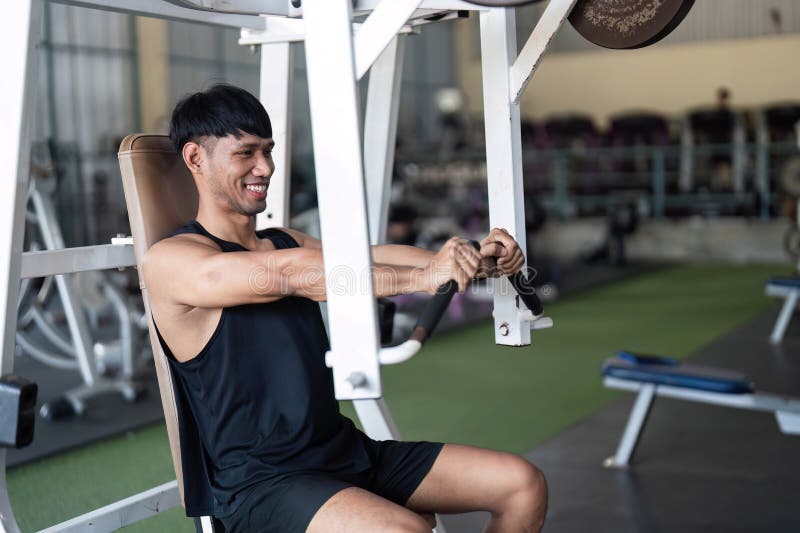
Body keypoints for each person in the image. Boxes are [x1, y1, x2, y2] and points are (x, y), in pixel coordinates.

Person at [143, 84, 547, 533]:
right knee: (405, 530)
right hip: (263, 486)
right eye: (247, 153)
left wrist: (473, 258)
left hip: (343, 453)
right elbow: (288, 274)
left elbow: (366, 257)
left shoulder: (283, 239)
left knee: (521, 485)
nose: (266, 167)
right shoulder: (171, 262)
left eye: (269, 151)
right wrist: (422, 278)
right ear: (196, 158)